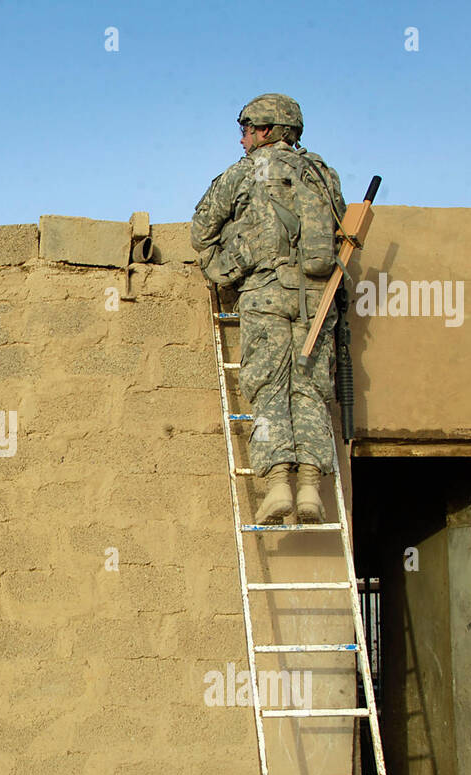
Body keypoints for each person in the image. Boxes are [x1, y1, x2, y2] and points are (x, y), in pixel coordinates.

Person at [190, 93, 347, 524]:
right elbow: (343, 228)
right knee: (312, 389)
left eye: (246, 130)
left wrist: (226, 267)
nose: (242, 141)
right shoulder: (321, 174)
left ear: (265, 131)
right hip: (317, 300)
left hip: (265, 295)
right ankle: (312, 490)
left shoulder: (243, 174)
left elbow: (201, 230)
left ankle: (278, 485)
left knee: (268, 388)